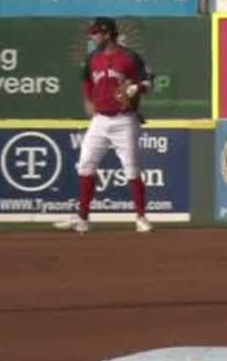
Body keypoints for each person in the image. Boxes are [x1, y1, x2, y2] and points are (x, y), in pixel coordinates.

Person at [55, 17, 155, 234]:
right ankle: (83, 218)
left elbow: (149, 79)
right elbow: (86, 80)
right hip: (99, 120)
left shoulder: (129, 57)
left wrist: (136, 88)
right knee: (85, 165)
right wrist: (87, 101)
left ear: (107, 33)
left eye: (95, 33)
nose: (92, 36)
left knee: (131, 169)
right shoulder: (93, 57)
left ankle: (141, 218)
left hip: (124, 119)